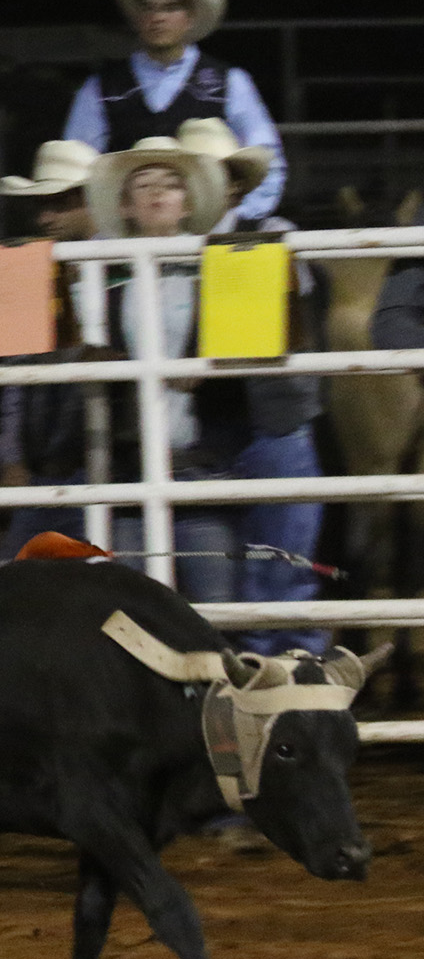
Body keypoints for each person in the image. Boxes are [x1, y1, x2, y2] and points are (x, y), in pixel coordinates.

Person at [176, 118, 327, 656]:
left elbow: (295, 322)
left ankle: (295, 686)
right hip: (208, 435)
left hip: (269, 422)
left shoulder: (272, 232)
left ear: (235, 185)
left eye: (213, 175)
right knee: (225, 578)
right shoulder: (164, 247)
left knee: (282, 569)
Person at [84, 138, 248, 605]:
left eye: (171, 184)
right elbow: (72, 351)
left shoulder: (220, 269)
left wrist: (214, 365)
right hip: (129, 465)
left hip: (202, 462)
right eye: (145, 184)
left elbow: (254, 350)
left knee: (214, 605)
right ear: (126, 205)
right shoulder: (98, 274)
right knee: (133, 607)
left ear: (187, 203)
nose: (158, 192)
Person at [64, 0, 285, 222]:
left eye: (170, 7)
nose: (158, 17)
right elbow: (75, 164)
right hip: (129, 233)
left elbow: (267, 156)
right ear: (138, 18)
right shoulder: (101, 88)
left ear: (189, 18)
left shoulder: (230, 81)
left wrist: (242, 217)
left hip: (210, 227)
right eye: (149, 7)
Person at [0, 141, 101, 557]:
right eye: (42, 204)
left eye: (61, 202)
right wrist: (12, 459)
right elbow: (14, 380)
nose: (46, 217)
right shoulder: (22, 270)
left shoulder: (128, 265)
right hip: (50, 467)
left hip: (108, 457)